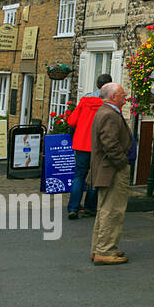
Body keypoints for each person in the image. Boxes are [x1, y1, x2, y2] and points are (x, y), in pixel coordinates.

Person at [87, 83, 133, 265]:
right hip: (112, 170)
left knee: (105, 210)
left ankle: (100, 248)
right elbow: (110, 144)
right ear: (113, 96)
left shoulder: (106, 112)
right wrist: (122, 162)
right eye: (122, 93)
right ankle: (105, 251)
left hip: (107, 169)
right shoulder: (109, 114)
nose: (126, 95)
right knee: (112, 211)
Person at [65, 73, 112, 220]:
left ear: (97, 85)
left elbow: (71, 122)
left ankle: (73, 208)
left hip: (81, 143)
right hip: (98, 146)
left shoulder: (85, 100)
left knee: (79, 175)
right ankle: (90, 208)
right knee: (94, 177)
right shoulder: (108, 104)